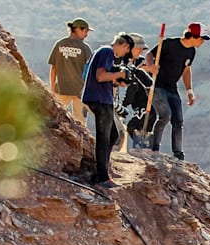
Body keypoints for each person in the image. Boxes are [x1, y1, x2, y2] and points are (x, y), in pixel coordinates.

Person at [145, 22, 209, 161]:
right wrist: (151, 66)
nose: (203, 42)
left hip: (171, 87)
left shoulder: (191, 51)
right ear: (193, 36)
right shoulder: (169, 44)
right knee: (165, 114)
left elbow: (186, 70)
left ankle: (178, 154)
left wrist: (189, 90)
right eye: (202, 38)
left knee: (178, 120)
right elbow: (150, 54)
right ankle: (154, 148)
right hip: (158, 86)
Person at [81, 33, 132, 187]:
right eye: (126, 51)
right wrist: (120, 74)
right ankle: (102, 177)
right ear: (124, 46)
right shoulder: (107, 52)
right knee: (104, 137)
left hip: (101, 98)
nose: (124, 55)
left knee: (113, 134)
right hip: (100, 99)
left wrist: (117, 81)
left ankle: (102, 170)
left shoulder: (104, 53)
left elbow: (105, 77)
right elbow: (100, 76)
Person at [46, 18, 93, 124]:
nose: (86, 35)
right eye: (85, 31)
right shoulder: (85, 48)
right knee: (81, 124)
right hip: (80, 92)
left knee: (55, 119)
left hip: (61, 89)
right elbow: (90, 71)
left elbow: (54, 68)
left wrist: (52, 87)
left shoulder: (60, 44)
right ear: (77, 30)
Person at [115, 33, 152, 151]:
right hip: (117, 104)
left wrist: (146, 70)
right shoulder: (119, 63)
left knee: (130, 128)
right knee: (119, 132)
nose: (141, 52)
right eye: (139, 49)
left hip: (136, 106)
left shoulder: (139, 63)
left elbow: (149, 83)